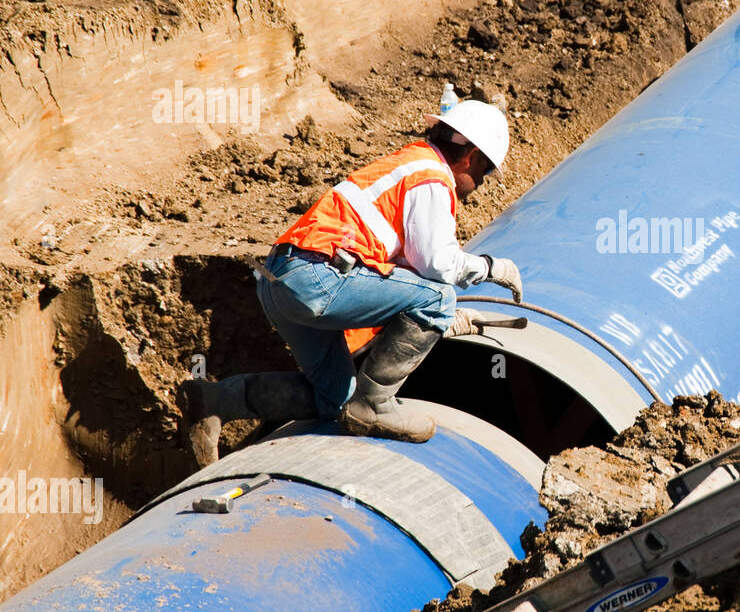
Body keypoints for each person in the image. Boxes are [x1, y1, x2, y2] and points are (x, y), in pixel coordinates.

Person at [178, 100, 525, 466]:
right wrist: (490, 269)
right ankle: (375, 404)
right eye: (486, 170)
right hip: (316, 277)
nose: (483, 182)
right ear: (470, 155)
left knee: (336, 399)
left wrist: (439, 323)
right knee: (439, 297)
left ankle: (216, 401)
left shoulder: (408, 164)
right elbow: (438, 264)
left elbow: (398, 278)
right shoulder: (431, 178)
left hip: (279, 277)